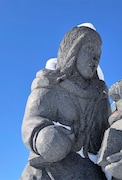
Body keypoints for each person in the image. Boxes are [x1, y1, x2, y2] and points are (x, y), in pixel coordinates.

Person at [20, 23, 110, 180]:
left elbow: (106, 135)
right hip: (51, 169)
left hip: (89, 171)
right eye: (90, 48)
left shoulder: (100, 100)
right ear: (73, 50)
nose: (95, 57)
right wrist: (43, 136)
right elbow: (31, 121)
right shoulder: (50, 86)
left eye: (98, 54)